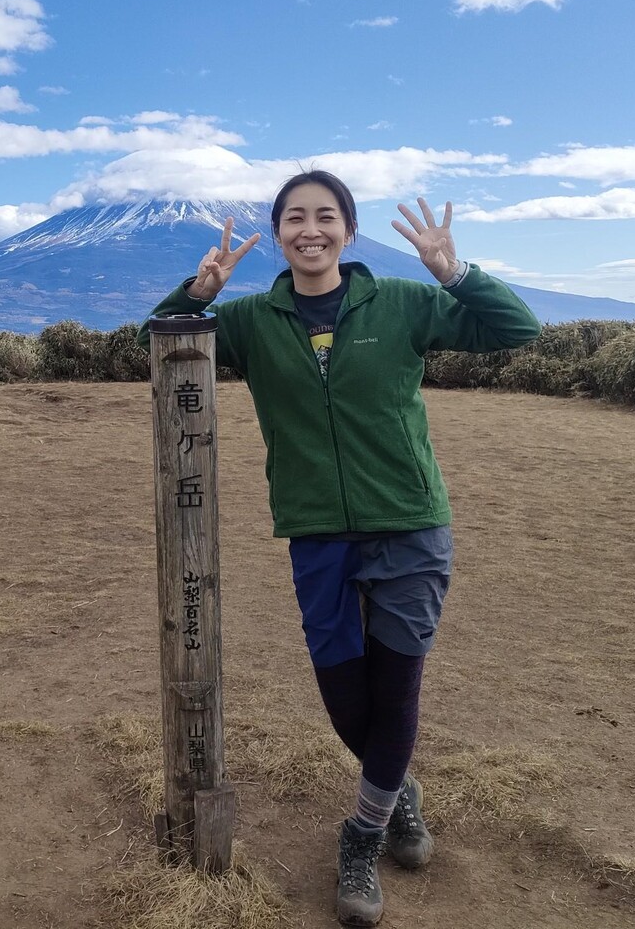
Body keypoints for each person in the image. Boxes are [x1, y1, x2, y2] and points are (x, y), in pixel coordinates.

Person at [138, 170, 541, 926]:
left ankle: (361, 833)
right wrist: (197, 294)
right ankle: (398, 793)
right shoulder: (255, 320)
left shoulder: (403, 302)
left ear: (349, 232)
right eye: (295, 218)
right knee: (345, 699)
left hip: (410, 524)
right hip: (317, 533)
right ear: (279, 233)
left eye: (326, 216)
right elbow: (153, 348)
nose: (310, 229)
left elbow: (519, 331)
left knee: (397, 691)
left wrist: (454, 272)